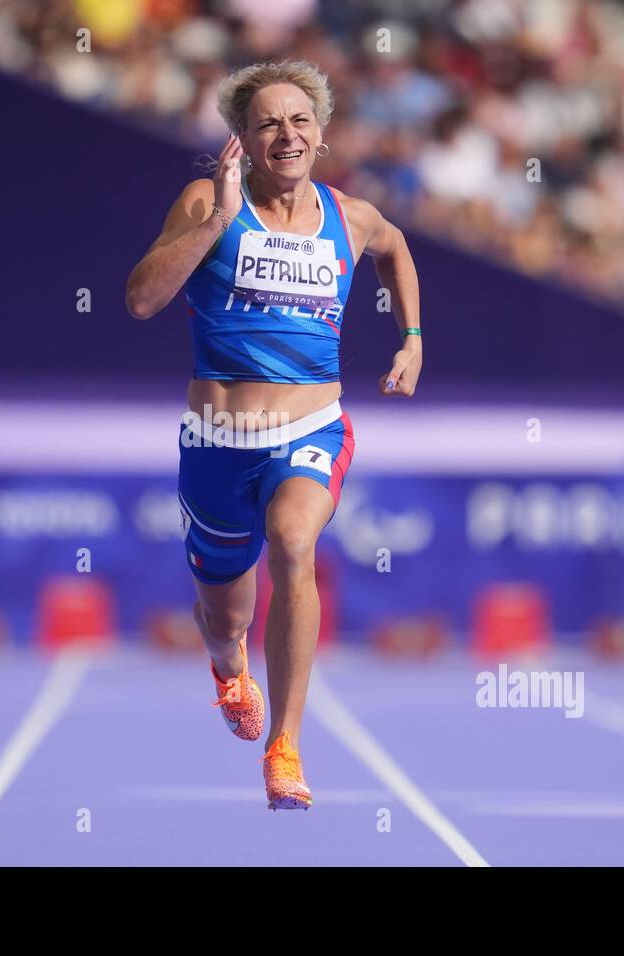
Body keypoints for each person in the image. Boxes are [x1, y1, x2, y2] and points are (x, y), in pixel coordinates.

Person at [125, 60, 423, 810]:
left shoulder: (350, 217)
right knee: (226, 616)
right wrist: (221, 220)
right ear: (243, 141)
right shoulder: (204, 200)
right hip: (219, 440)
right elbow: (140, 300)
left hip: (311, 428)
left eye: (299, 121)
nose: (285, 134)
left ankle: (284, 747)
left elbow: (396, 249)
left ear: (319, 135)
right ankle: (228, 667)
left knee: (295, 543)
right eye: (267, 123)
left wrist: (411, 337)